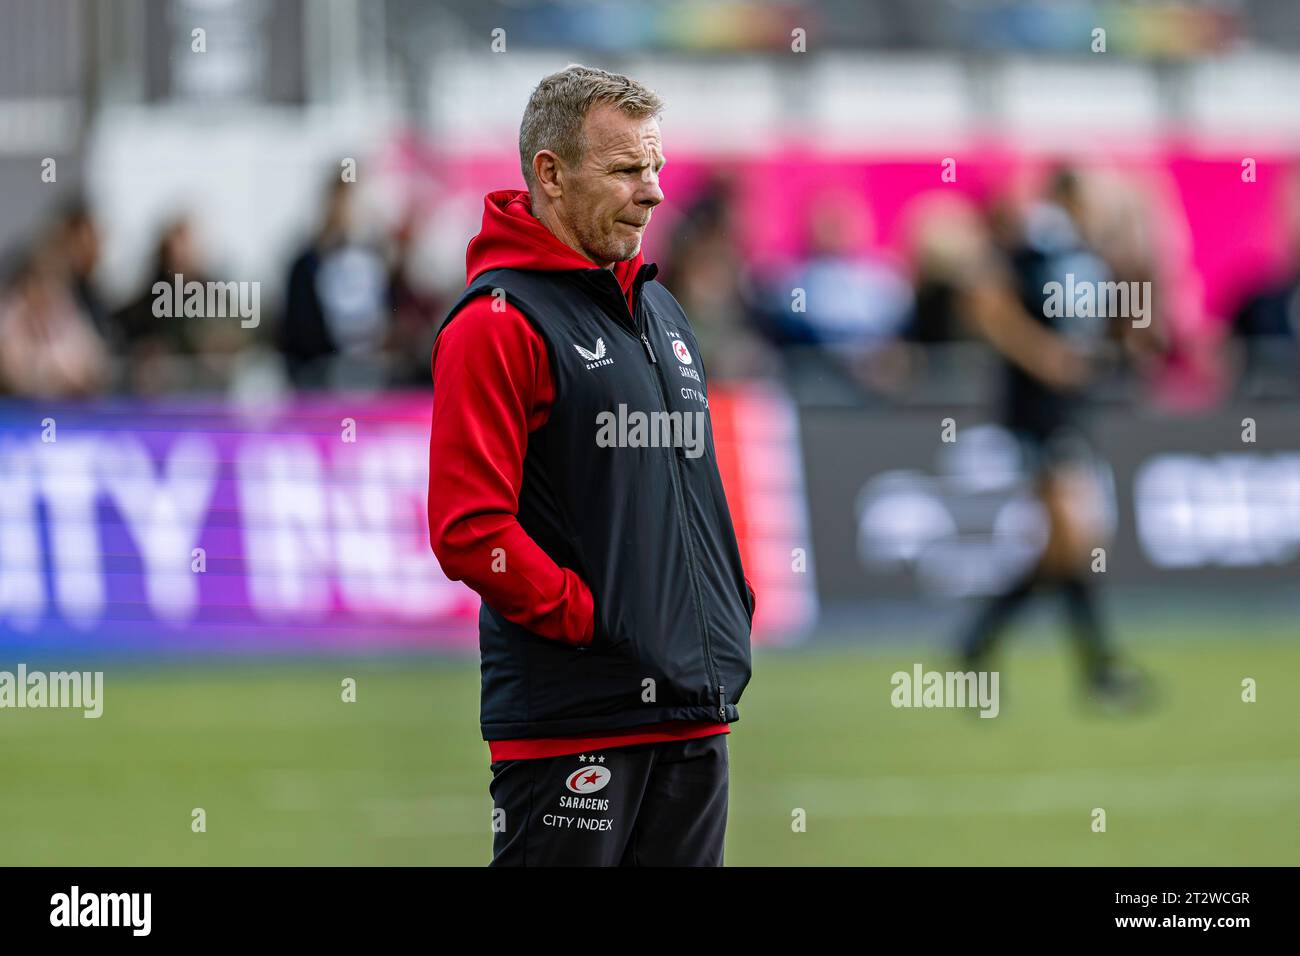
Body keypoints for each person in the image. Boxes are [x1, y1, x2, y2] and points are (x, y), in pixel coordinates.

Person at [426, 65, 755, 866]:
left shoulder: (661, 308)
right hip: (575, 722)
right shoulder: (496, 323)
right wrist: (591, 618)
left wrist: (726, 607)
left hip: (693, 708)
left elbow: (686, 494)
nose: (652, 193)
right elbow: (469, 529)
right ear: (550, 173)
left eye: (656, 168)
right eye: (624, 170)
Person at [957, 168, 1152, 709]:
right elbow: (987, 306)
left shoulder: (1093, 254)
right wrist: (1042, 354)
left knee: (1065, 549)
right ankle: (1098, 670)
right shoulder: (1037, 247)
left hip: (1071, 412)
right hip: (1037, 413)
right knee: (1076, 537)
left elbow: (1116, 326)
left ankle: (979, 643)